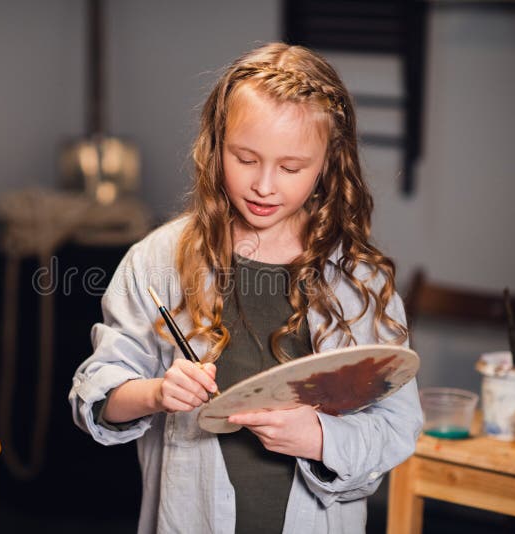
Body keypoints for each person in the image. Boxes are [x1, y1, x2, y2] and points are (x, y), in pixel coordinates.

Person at [69, 42, 422, 534]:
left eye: (291, 168)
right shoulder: (159, 259)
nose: (264, 186)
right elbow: (96, 398)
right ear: (216, 145)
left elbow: (397, 427)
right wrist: (154, 392)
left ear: (327, 163)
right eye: (245, 158)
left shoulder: (359, 281)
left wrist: (320, 438)